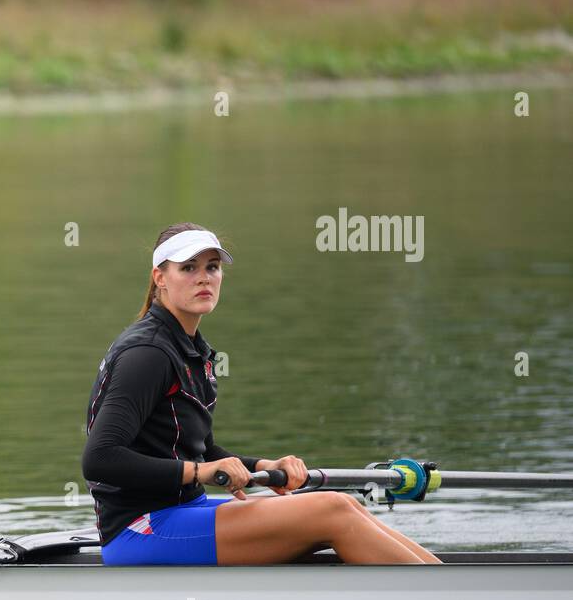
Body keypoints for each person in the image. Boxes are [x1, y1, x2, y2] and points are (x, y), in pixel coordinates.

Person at [82, 223, 440, 566]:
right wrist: (200, 472)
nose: (204, 277)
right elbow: (100, 459)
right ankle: (450, 599)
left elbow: (204, 452)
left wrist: (261, 466)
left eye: (213, 266)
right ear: (160, 278)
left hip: (185, 512)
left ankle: (445, 583)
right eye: (188, 268)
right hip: (138, 530)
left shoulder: (190, 350)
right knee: (331, 510)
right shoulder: (147, 353)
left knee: (344, 505)